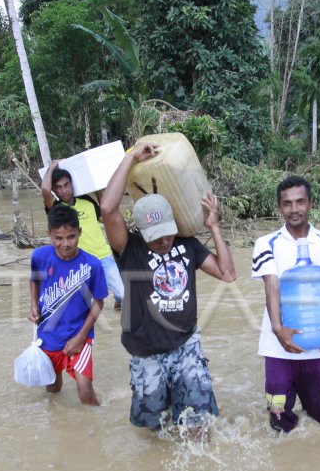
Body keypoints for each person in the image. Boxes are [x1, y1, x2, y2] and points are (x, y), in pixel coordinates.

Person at [100, 142, 237, 437]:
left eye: (166, 234)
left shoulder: (187, 244)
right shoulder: (129, 248)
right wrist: (131, 158)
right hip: (145, 351)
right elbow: (108, 208)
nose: (162, 242)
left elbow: (227, 274)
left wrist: (213, 226)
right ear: (140, 232)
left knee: (199, 422)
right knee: (155, 428)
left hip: (185, 344)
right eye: (154, 238)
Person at [251, 176, 320, 433]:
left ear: (310, 204)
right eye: (287, 203)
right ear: (279, 208)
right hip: (277, 347)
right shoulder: (267, 244)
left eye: (300, 202)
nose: (294, 209)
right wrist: (278, 329)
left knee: (318, 419)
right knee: (278, 415)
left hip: (319, 343)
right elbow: (271, 285)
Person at [28, 204, 109, 406]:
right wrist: (33, 304)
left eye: (71, 236)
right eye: (59, 238)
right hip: (48, 336)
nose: (66, 243)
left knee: (85, 393)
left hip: (78, 335)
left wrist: (81, 337)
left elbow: (98, 302)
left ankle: (97, 427)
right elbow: (35, 280)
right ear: (49, 235)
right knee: (53, 389)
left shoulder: (92, 264)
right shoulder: (40, 257)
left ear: (79, 232)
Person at [41, 162, 124, 309]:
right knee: (81, 307)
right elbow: (45, 191)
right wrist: (52, 166)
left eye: (66, 185)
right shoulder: (56, 208)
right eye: (58, 188)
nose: (64, 190)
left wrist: (98, 190)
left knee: (124, 296)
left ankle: (118, 301)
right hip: (78, 262)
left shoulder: (87, 201)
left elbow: (106, 218)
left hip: (103, 255)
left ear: (72, 185)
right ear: (55, 190)